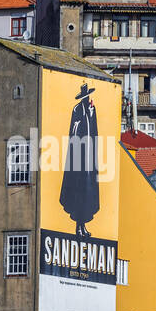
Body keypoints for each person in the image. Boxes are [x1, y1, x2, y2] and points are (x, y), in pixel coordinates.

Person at [59, 81, 101, 236]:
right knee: (78, 192)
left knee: (88, 193)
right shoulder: (76, 109)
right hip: (78, 158)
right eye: (85, 96)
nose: (87, 99)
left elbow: (94, 131)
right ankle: (78, 226)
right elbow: (74, 130)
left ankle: (83, 226)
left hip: (89, 158)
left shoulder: (91, 109)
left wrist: (90, 114)